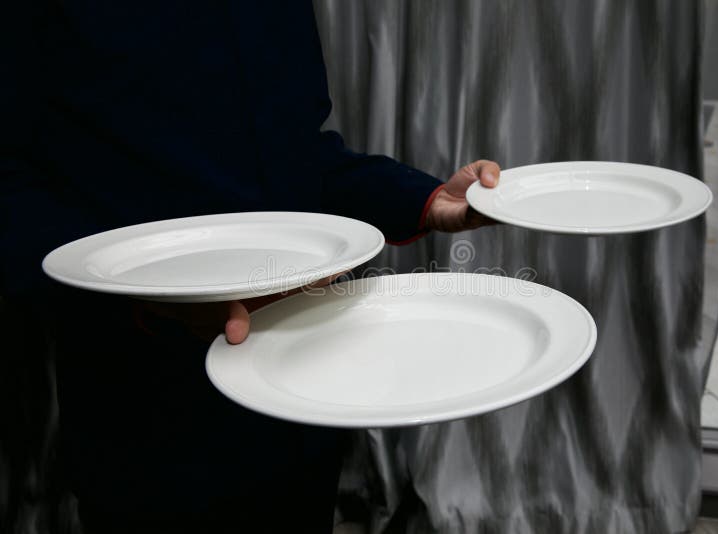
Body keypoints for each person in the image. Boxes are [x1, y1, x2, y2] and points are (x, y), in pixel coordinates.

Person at [1, 2, 499, 532]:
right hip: (147, 422)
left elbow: (304, 161)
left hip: (301, 403)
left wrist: (425, 198)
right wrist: (151, 299)